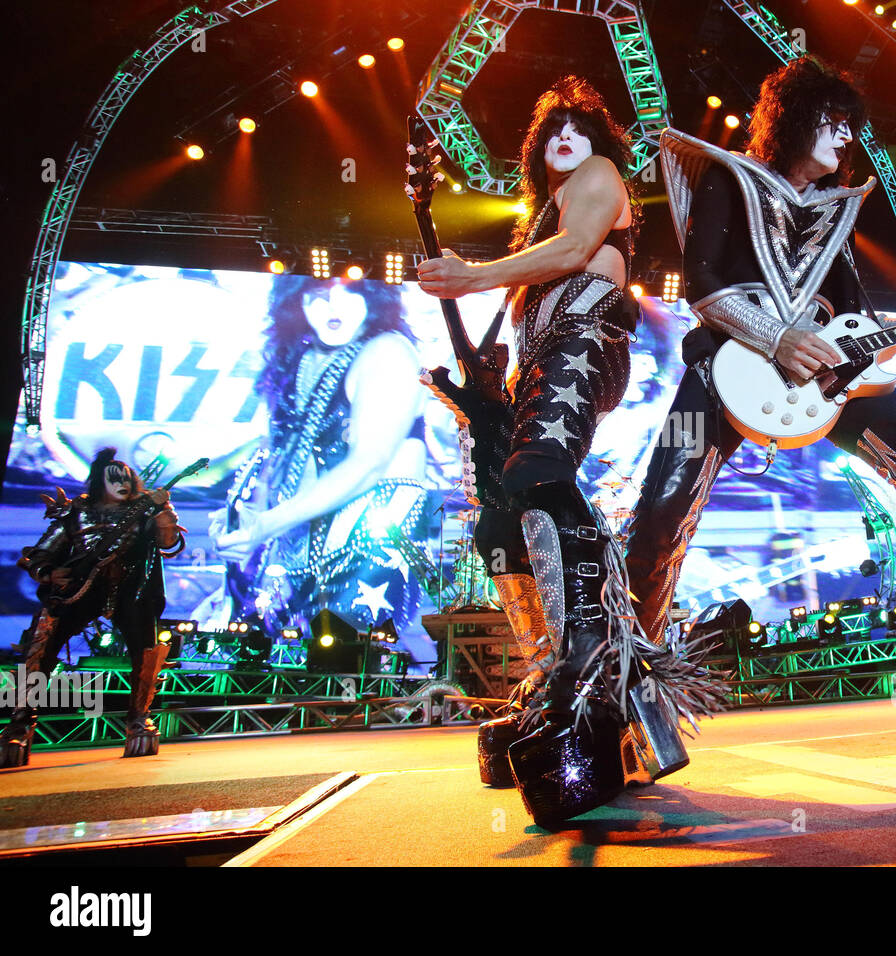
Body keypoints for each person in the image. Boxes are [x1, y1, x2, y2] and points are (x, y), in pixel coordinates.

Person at [622, 56, 896, 770]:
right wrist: (775, 336)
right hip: (730, 366)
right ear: (793, 116)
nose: (844, 139)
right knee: (661, 513)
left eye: (851, 127)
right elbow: (701, 282)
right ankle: (628, 701)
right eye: (833, 121)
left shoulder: (836, 207)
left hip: (832, 380)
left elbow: (853, 315)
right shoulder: (728, 177)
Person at [418, 76, 721, 826]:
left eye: (579, 125)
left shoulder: (597, 180)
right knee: (503, 521)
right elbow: (551, 259)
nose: (564, 133)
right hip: (546, 357)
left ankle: (592, 669)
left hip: (585, 340)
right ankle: (549, 671)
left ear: (602, 145)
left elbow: (582, 248)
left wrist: (475, 275)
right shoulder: (540, 219)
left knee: (542, 478)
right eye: (550, 125)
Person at [213, 276, 430, 637]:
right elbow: (284, 459)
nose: (332, 308)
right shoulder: (301, 359)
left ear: (372, 299)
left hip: (365, 546)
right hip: (297, 552)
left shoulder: (388, 351)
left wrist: (267, 524)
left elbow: (369, 463)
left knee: (348, 666)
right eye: (317, 297)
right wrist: (250, 522)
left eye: (348, 295)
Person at [1, 448, 184, 766]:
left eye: (127, 478)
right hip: (79, 589)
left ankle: (139, 718)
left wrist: (163, 519)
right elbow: (44, 550)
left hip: (132, 589)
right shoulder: (78, 510)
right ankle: (20, 722)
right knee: (41, 646)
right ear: (101, 480)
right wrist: (48, 572)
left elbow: (170, 547)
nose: (122, 484)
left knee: (146, 651)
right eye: (115, 478)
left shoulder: (145, 511)